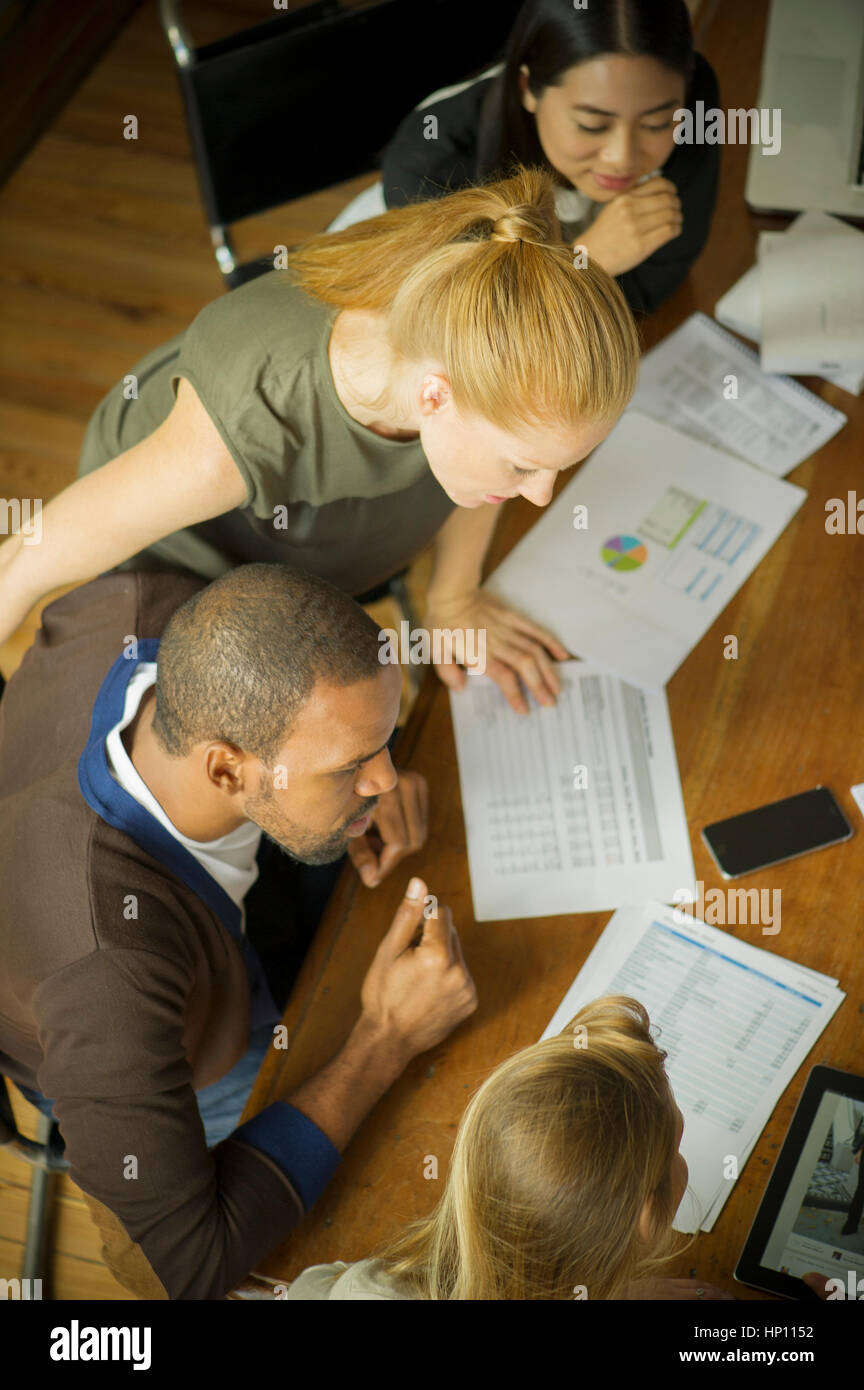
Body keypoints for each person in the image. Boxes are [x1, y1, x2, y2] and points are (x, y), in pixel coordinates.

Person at [0, 563, 476, 1300]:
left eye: (382, 744)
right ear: (225, 770)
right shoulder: (106, 972)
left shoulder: (150, 598)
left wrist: (359, 782)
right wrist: (384, 1039)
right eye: (353, 766)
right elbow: (191, 1262)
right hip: (171, 1046)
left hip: (224, 923)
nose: (387, 780)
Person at [0, 167, 639, 716]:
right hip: (192, 560)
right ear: (434, 397)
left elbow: (484, 479)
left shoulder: (472, 323)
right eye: (524, 466)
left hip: (318, 542)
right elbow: (32, 555)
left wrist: (454, 595)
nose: (539, 494)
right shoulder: (250, 423)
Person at [283, 995, 734, 1300]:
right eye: (676, 1144)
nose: (682, 1156)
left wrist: (606, 1283)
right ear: (644, 1218)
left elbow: (309, 1287)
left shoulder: (371, 1287)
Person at [335, 0, 719, 318]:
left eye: (656, 123)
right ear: (528, 88)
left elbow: (653, 284)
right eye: (591, 125)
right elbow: (465, 323)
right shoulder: (431, 159)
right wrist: (585, 262)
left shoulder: (694, 105)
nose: (622, 158)